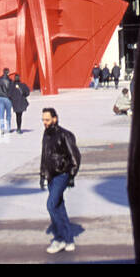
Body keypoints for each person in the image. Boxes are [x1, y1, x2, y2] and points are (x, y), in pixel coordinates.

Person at [40, 107, 81, 254]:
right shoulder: (46, 134)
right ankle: (69, 239)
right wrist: (42, 175)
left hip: (62, 175)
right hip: (51, 175)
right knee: (58, 206)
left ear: (55, 119)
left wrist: (70, 176)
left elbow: (75, 157)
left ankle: (59, 239)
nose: (44, 122)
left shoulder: (64, 135)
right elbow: (44, 155)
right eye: (43, 120)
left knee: (51, 205)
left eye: (47, 120)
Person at [0, 67, 14, 137]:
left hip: (0, 98)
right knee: (8, 114)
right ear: (8, 72)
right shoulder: (10, 81)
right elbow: (12, 90)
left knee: (1, 113)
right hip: (7, 98)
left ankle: (2, 128)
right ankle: (8, 128)